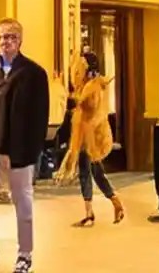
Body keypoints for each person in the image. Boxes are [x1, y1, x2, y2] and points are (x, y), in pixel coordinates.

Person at [0, 18, 50, 273]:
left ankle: (25, 254)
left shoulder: (34, 73)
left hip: (19, 150)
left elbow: (39, 117)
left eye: (10, 37)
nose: (5, 42)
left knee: (23, 200)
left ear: (20, 40)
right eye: (1, 37)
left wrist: (28, 152)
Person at [56, 50, 124, 226]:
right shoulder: (90, 84)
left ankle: (100, 208)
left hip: (92, 137)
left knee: (90, 173)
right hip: (87, 135)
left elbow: (90, 106)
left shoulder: (94, 86)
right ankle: (100, 207)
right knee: (92, 172)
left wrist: (77, 101)